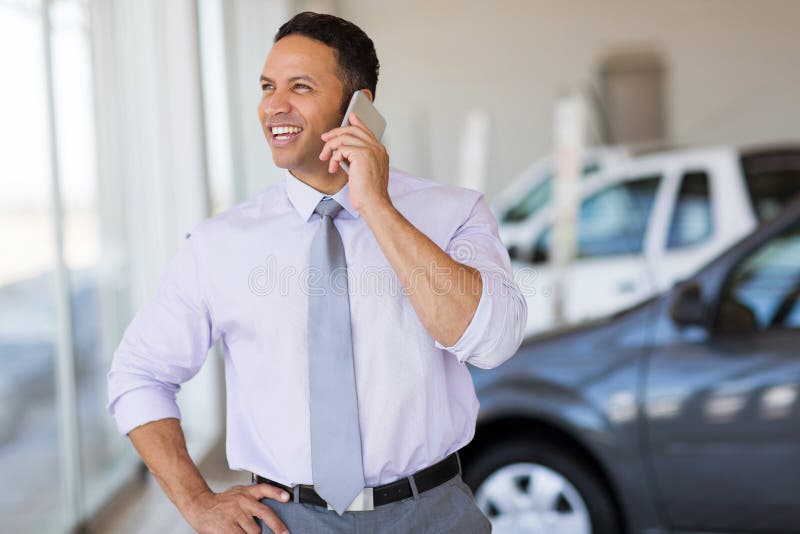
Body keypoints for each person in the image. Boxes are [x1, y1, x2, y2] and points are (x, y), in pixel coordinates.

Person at [107, 11, 526, 534]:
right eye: (266, 87)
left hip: (432, 515)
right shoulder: (219, 244)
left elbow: (492, 341)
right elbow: (139, 374)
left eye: (299, 86)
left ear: (360, 106)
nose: (273, 106)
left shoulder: (453, 213)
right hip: (284, 521)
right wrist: (196, 501)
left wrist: (375, 205)